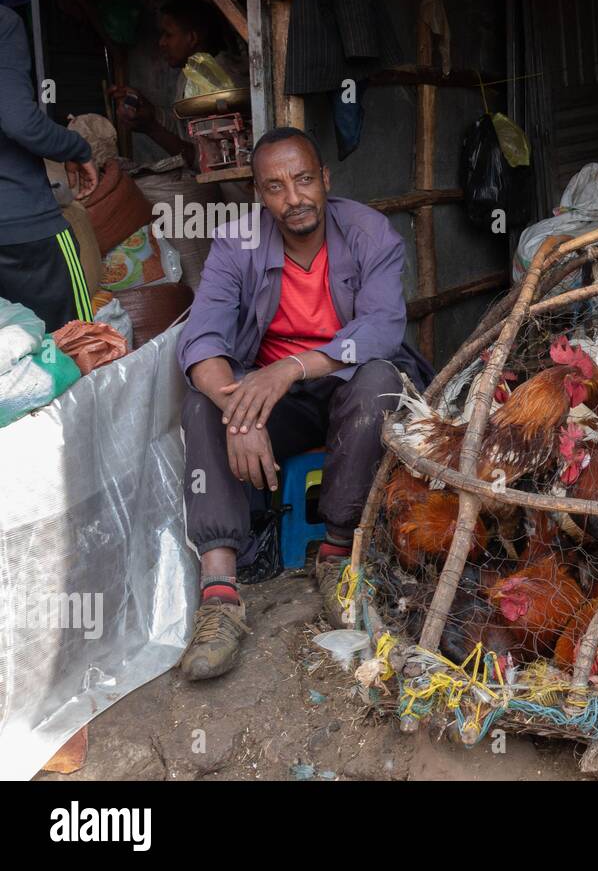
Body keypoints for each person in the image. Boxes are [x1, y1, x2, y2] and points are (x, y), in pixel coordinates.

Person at [175, 126, 429, 680]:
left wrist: (287, 369)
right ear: (259, 197)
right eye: (275, 187)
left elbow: (383, 328)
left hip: (346, 388)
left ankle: (337, 554)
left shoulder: (368, 233)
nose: (293, 198)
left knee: (379, 379)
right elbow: (201, 339)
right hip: (275, 402)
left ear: (326, 180)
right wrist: (236, 407)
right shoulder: (235, 244)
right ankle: (220, 595)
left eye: (304, 180)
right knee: (200, 402)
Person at [0, 4, 99, 332]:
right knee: (73, 348)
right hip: (23, 231)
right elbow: (19, 121)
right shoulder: (3, 22)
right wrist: (75, 147)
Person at [109, 0, 242, 168]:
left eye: (168, 35)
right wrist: (151, 114)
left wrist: (151, 128)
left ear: (192, 38)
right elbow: (186, 131)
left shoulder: (214, 82)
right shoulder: (190, 73)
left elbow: (206, 160)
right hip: (215, 188)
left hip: (233, 191)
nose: (161, 43)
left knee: (174, 195)